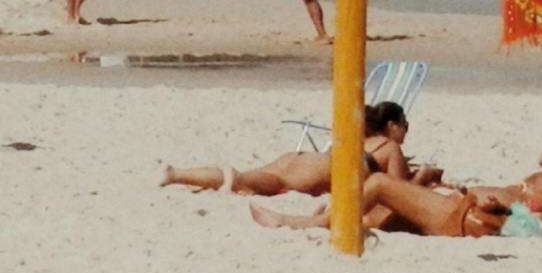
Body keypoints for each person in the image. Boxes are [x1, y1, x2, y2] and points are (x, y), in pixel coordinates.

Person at [252, 141, 542, 238]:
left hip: (461, 216)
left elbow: (528, 218)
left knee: (381, 184)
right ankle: (331, 218)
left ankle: (298, 224)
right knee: (378, 218)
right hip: (459, 212)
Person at [162, 101, 430, 195]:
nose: (406, 130)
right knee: (244, 181)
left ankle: (180, 174)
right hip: (317, 169)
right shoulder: (390, 148)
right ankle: (177, 176)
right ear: (392, 125)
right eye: (405, 125)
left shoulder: (362, 139)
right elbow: (399, 192)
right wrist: (423, 176)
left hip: (305, 158)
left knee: (248, 177)